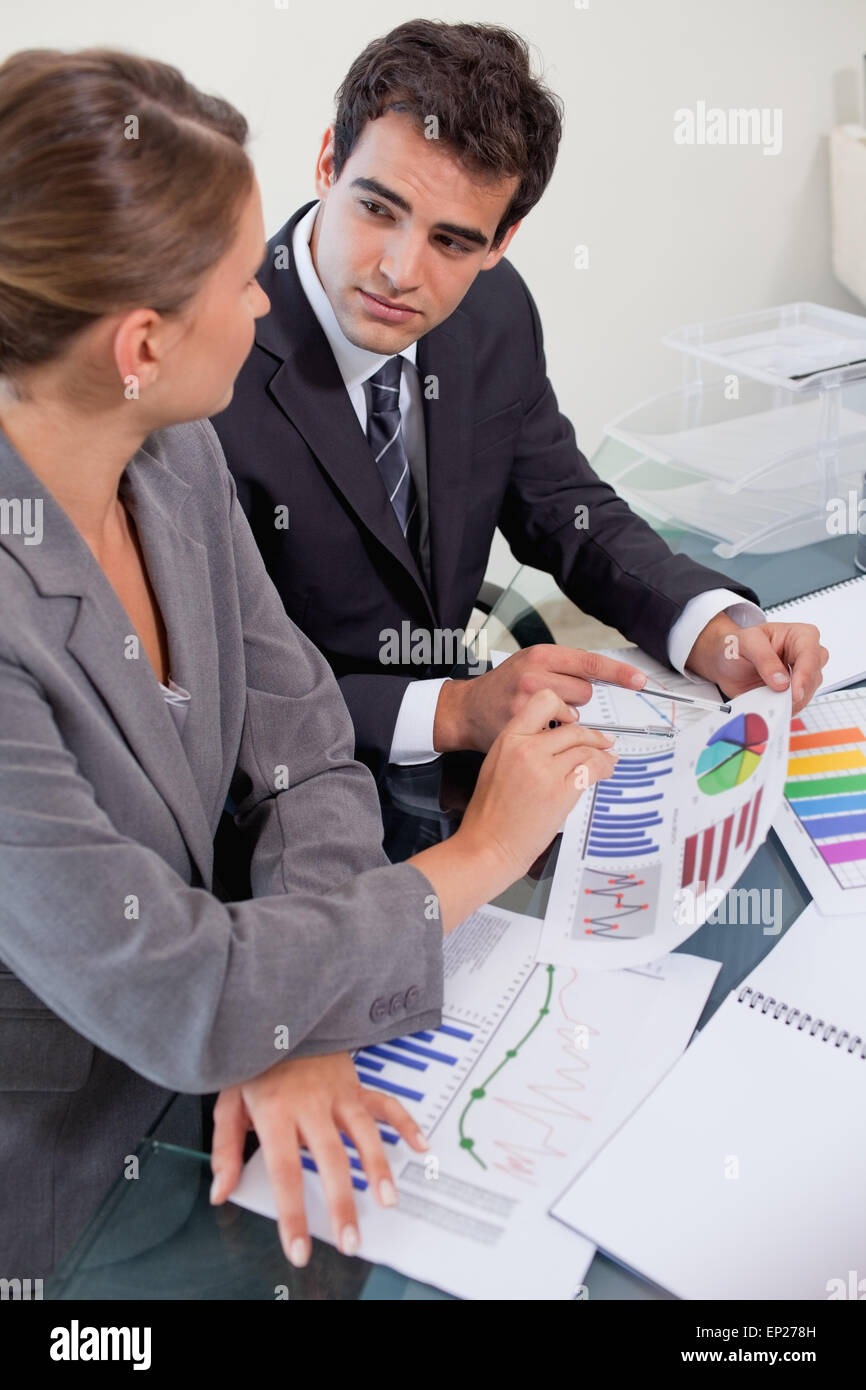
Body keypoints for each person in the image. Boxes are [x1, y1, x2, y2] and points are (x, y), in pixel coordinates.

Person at [0, 47, 618, 1279]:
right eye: (241, 281)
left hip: (247, 1031)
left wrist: (295, 1006)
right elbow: (174, 983)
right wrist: (479, 853)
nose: (266, 302)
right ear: (139, 343)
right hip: (77, 1162)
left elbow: (303, 750)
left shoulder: (171, 458)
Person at [213, 19, 827, 778]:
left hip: (456, 760)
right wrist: (453, 711)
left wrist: (708, 624)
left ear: (502, 240)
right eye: (378, 209)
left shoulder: (491, 311)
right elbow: (213, 691)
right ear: (327, 165)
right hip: (284, 784)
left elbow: (565, 507)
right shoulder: (206, 359)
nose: (401, 271)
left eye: (453, 242)